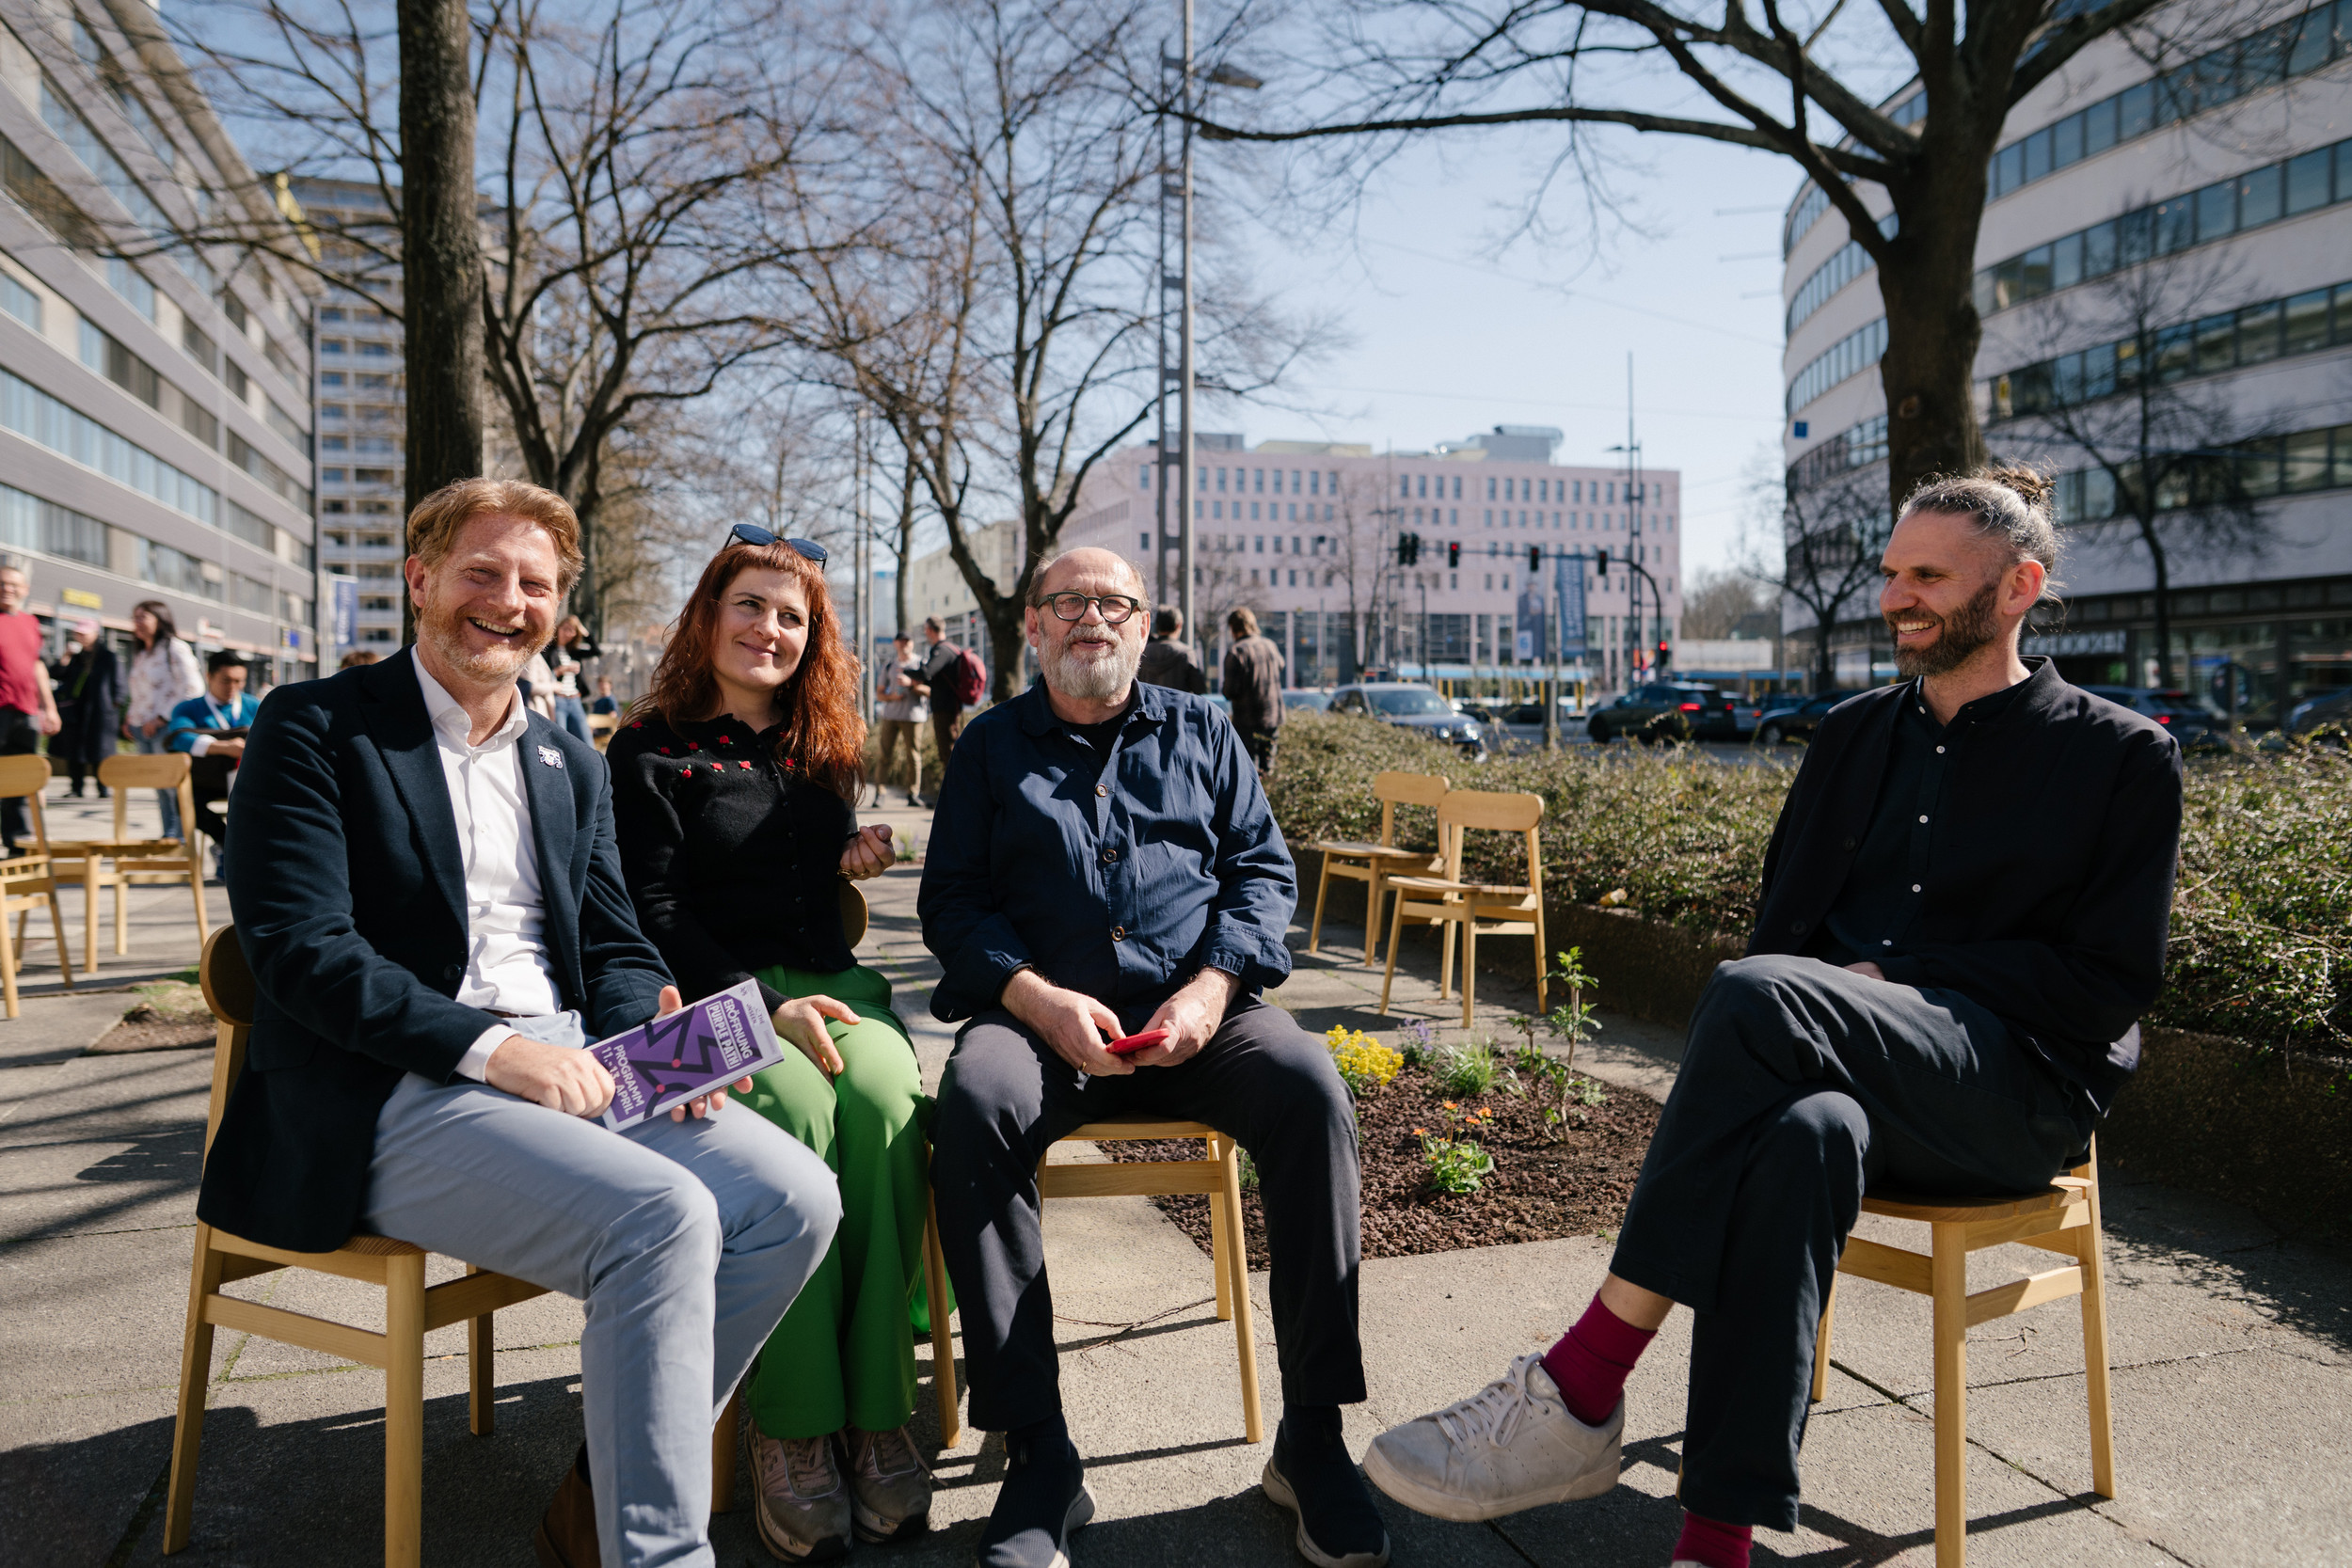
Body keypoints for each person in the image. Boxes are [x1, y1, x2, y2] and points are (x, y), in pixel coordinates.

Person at [1362, 467, 2184, 1568]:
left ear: (2019, 585)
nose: (1897, 596)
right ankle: (1714, 1542)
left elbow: (2106, 985)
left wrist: (1888, 978)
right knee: (1803, 1137)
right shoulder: (1850, 737)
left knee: (1754, 991)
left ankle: (1585, 1377)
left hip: (2012, 1094)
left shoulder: (2120, 754)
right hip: (1855, 1087)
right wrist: (1844, 994)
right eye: (1892, 573)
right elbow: (1785, 926)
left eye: (1929, 576)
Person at [200, 478, 840, 1568]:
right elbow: (305, 951)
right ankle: (655, 1552)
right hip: (394, 1087)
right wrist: (500, 1052)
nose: (507, 600)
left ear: (559, 608)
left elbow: (617, 941)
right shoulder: (313, 728)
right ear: (420, 580)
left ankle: (604, 1495)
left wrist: (657, 1036)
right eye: (482, 573)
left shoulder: (565, 758)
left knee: (794, 1200)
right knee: (667, 1215)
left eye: (535, 583)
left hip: (578, 1061)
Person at [920, 547, 1387, 1568]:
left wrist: (1213, 986)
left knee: (1310, 1086)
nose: (1093, 617)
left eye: (1113, 603)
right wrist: (1034, 999)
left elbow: (1263, 872)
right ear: (1034, 627)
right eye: (1068, 602)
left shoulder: (1205, 728)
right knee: (974, 1095)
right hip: (1043, 1022)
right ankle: (1039, 1453)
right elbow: (950, 900)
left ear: (1143, 626)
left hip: (1201, 1018)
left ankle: (1312, 1437)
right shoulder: (991, 747)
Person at [609, 527, 936, 1562]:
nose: (770, 628)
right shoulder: (648, 747)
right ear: (708, 615)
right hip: (706, 1002)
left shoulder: (819, 746)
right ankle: (792, 1425)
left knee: (883, 1103)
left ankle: (878, 1408)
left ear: (813, 637)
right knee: (795, 1110)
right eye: (749, 605)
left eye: (792, 616)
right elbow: (653, 905)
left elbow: (787, 873)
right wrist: (757, 1005)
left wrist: (847, 854)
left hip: (835, 988)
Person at [164, 651, 261, 859]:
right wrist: (224, 747)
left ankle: (246, 851)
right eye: (226, 681)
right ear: (209, 677)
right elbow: (179, 738)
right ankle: (227, 844)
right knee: (185, 802)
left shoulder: (255, 706)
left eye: (239, 681)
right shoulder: (188, 708)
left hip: (248, 779)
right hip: (207, 780)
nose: (232, 687)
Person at [126, 600, 205, 839]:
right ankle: (168, 835)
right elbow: (140, 691)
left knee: (173, 786)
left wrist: (161, 718)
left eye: (143, 617)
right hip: (142, 728)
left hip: (165, 729)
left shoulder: (175, 648)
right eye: (135, 617)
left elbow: (193, 688)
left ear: (160, 620)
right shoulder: (141, 653)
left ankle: (181, 837)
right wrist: (131, 717)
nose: (137, 623)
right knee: (159, 786)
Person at [0, 565, 61, 854]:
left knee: (20, 781)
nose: (7, 588)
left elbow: (37, 667)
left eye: (14, 584)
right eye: (2, 583)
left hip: (25, 714)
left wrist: (50, 708)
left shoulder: (30, 622)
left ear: (25, 590)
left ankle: (18, 846)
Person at [51, 620, 122, 798]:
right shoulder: (75, 657)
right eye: (78, 633)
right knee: (74, 749)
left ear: (95, 634)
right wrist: (66, 657)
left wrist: (116, 703)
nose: (81, 637)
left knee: (101, 750)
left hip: (100, 710)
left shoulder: (108, 656)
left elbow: (118, 682)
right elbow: (56, 674)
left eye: (84, 633)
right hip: (75, 710)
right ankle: (76, 788)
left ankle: (103, 787)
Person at [1221, 606, 1284, 772]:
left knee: (1250, 773)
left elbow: (1229, 691)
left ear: (1233, 628)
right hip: (1273, 717)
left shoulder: (1237, 651)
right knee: (1268, 769)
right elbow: (1281, 666)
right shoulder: (1270, 646)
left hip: (1247, 720)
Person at [873, 632, 927, 807]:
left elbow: (932, 691)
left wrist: (911, 684)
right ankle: (880, 794)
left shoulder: (921, 664)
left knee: (914, 756)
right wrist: (892, 697)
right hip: (891, 716)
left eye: (907, 641)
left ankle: (913, 794)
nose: (904, 644)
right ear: (895, 644)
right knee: (884, 755)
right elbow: (879, 694)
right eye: (901, 641)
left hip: (914, 717)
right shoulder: (889, 665)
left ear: (912, 643)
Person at [913, 616, 966, 787]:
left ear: (930, 630)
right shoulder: (949, 649)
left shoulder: (942, 650)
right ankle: (953, 793)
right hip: (948, 707)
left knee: (948, 751)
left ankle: (956, 795)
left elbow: (927, 673)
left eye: (925, 629)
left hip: (947, 709)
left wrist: (909, 674)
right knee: (947, 751)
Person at [548, 613, 600, 743]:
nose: (567, 633)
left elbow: (596, 651)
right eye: (564, 628)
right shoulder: (548, 650)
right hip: (557, 699)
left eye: (572, 630)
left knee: (587, 741)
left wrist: (584, 632)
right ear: (558, 628)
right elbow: (543, 675)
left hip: (575, 699)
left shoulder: (574, 651)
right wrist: (563, 669)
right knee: (560, 740)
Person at [1136, 607, 1206, 693]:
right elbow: (1199, 688)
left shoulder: (1142, 652)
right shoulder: (1186, 654)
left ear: (1157, 625)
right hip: (1179, 705)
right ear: (1179, 625)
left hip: (1148, 705)